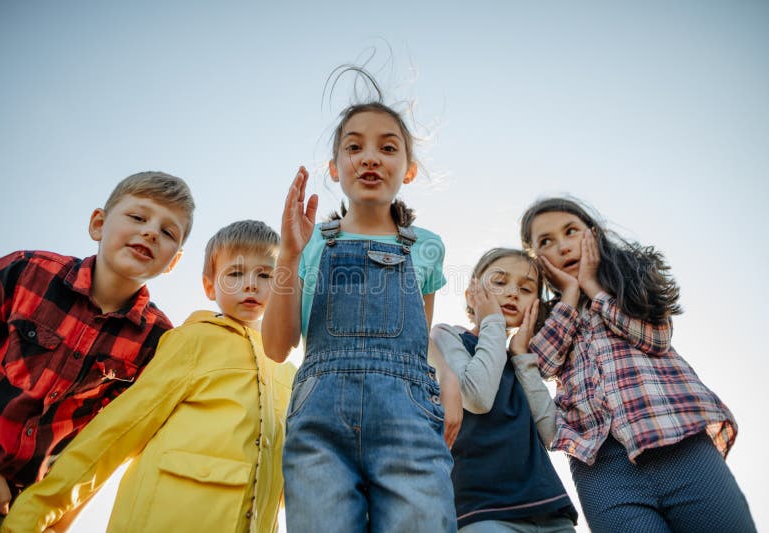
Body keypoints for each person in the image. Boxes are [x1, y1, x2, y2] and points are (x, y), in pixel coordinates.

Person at [0, 220, 296, 532]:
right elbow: (116, 431)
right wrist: (31, 516)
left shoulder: (289, 370)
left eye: (265, 274)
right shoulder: (193, 341)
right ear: (210, 286)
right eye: (235, 273)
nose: (251, 284)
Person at [262, 77, 459, 532]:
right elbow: (277, 346)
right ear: (335, 167)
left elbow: (418, 342)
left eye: (388, 148)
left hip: (409, 419)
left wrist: (447, 377)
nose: (370, 156)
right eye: (355, 147)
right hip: (319, 424)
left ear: (408, 169)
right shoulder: (308, 243)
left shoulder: (426, 247)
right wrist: (288, 255)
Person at [0, 171, 194, 533]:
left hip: (21, 506)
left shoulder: (158, 342)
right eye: (138, 217)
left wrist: (60, 524)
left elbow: (110, 445)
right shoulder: (28, 271)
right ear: (98, 224)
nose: (151, 231)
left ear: (173, 262)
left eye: (168, 232)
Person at [520, 197, 755, 532]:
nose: (562, 246)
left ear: (594, 234)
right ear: (537, 260)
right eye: (546, 242)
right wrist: (571, 297)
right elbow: (541, 363)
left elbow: (656, 337)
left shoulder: (630, 285)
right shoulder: (551, 315)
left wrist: (592, 288)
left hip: (679, 442)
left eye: (570, 231)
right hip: (602, 466)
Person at [432, 248, 578, 532]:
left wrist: (522, 355)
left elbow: (551, 433)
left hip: (549, 509)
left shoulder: (519, 359)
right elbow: (477, 397)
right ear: (472, 293)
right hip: (483, 510)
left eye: (525, 289)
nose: (513, 293)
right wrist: (492, 322)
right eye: (499, 282)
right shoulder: (448, 335)